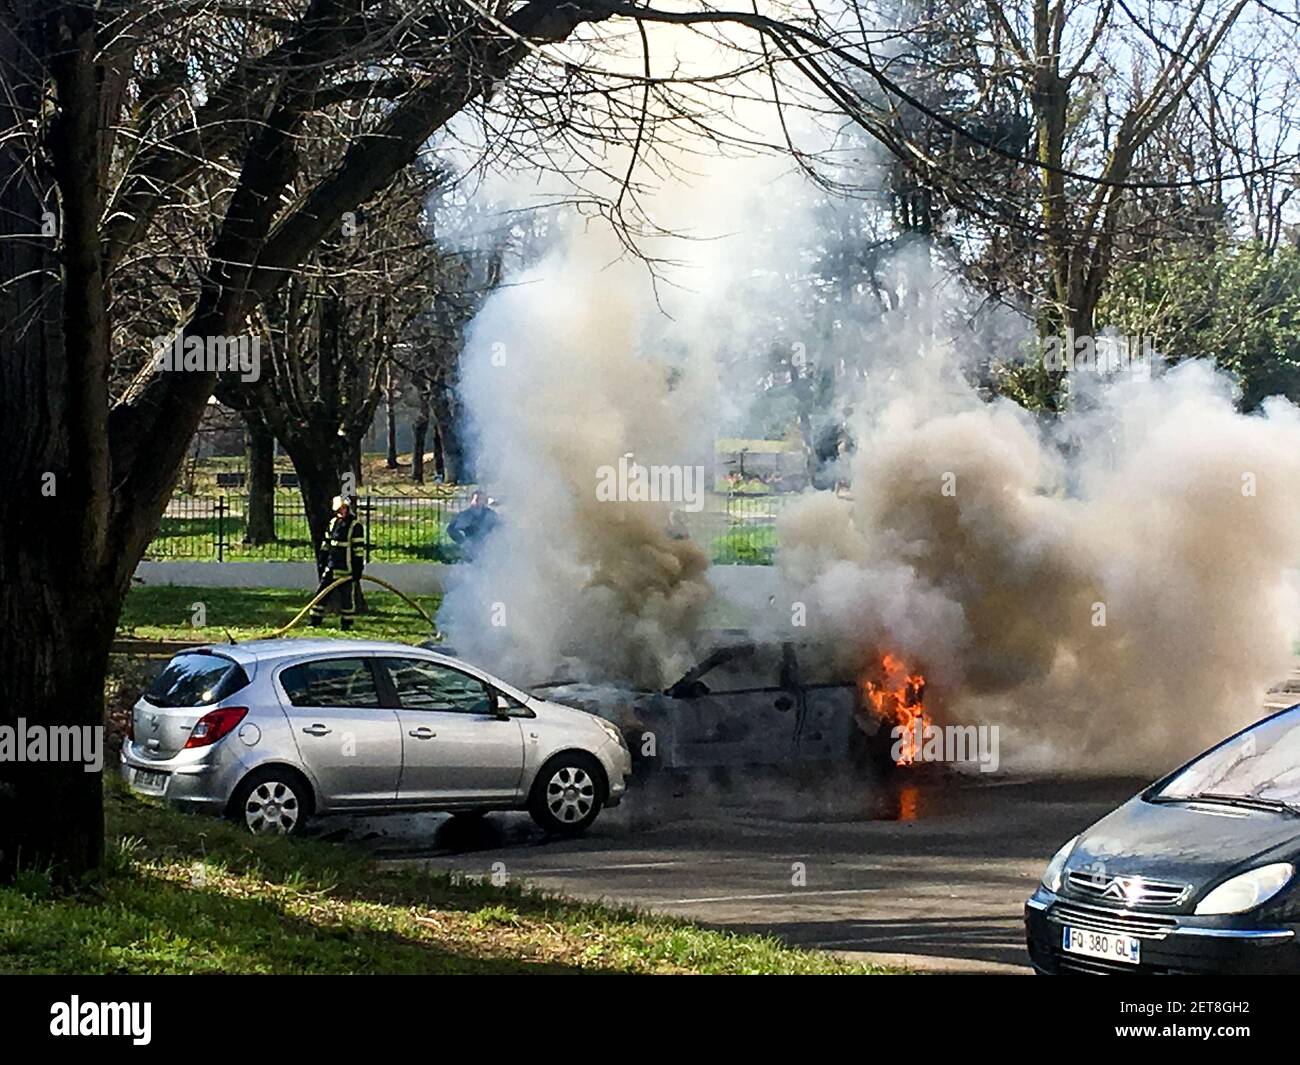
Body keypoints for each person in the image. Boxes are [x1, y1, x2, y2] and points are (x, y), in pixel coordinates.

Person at [310, 495, 365, 629]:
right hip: (331, 566)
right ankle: (314, 620)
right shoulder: (333, 523)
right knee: (321, 594)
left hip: (347, 569)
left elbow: (358, 550)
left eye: (343, 509)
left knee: (346, 598)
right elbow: (327, 543)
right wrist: (323, 560)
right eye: (339, 510)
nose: (341, 512)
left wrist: (357, 568)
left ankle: (347, 624)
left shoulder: (355, 526)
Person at [446, 490, 499, 558]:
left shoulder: (491, 514)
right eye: (476, 499)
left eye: (481, 500)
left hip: (488, 550)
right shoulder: (464, 515)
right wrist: (463, 542)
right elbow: (451, 529)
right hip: (470, 550)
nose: (478, 502)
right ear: (471, 501)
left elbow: (500, 527)